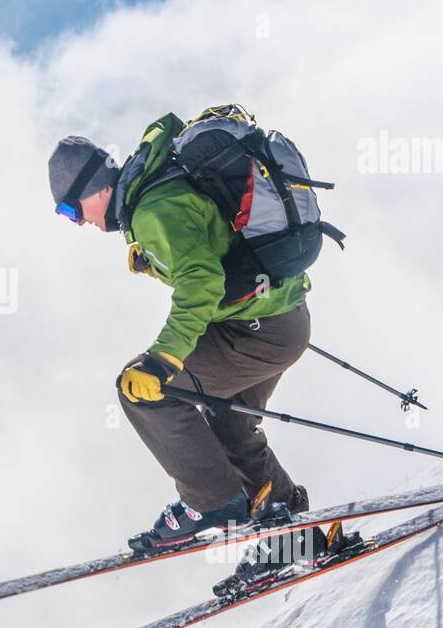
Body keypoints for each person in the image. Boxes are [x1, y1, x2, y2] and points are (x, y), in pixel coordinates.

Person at [48, 112, 311, 551]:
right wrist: (159, 264)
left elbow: (201, 284)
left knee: (143, 390)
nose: (77, 222)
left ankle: (210, 504)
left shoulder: (152, 209)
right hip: (285, 321)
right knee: (227, 417)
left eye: (70, 209)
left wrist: (162, 359)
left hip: (258, 332)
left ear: (94, 188)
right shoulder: (157, 190)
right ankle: (281, 521)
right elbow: (213, 259)